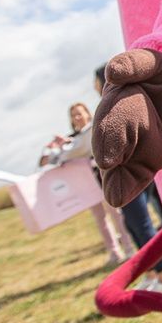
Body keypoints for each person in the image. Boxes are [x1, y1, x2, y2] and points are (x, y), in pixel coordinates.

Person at [87, 74, 162, 294]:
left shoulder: (119, 104)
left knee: (141, 224)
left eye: (96, 81)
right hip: (129, 175)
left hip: (130, 174)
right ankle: (150, 274)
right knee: (132, 224)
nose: (94, 85)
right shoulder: (116, 102)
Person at [42, 103, 133, 267]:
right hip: (85, 183)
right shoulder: (73, 138)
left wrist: (64, 147)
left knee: (116, 214)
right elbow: (56, 158)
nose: (77, 117)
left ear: (87, 114)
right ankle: (114, 252)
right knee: (101, 219)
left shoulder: (93, 130)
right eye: (74, 115)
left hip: (102, 177)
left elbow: (74, 151)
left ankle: (129, 248)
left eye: (79, 113)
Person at [95, 65, 162, 227]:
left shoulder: (113, 105)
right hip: (148, 161)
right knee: (156, 207)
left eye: (95, 81)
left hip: (131, 169)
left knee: (139, 221)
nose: (94, 86)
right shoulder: (133, 96)